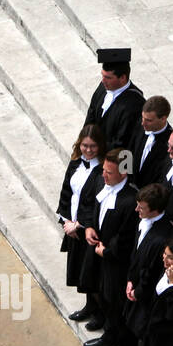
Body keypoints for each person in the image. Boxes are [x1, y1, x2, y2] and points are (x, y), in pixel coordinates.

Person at [121, 183, 173, 346]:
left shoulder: (162, 236)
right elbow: (136, 256)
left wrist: (138, 290)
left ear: (155, 210)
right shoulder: (146, 224)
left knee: (149, 335)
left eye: (141, 208)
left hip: (153, 296)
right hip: (138, 286)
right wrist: (130, 279)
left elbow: (152, 269)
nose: (137, 211)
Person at [81, 149, 139, 346]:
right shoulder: (100, 182)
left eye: (110, 172)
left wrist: (106, 252)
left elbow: (125, 238)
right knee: (103, 297)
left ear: (123, 174)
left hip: (116, 262)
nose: (104, 175)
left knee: (118, 306)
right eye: (104, 170)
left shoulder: (130, 201)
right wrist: (89, 228)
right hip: (98, 252)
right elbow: (91, 208)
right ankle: (109, 334)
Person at [59, 125, 105, 327]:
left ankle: (100, 313)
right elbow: (66, 192)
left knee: (91, 274)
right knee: (79, 270)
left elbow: (96, 203)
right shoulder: (75, 164)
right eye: (85, 145)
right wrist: (66, 220)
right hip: (73, 226)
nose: (88, 150)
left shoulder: (102, 170)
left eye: (93, 146)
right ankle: (89, 306)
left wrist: (80, 225)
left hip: (89, 230)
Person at [82, 48, 145, 153]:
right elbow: (91, 114)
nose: (103, 80)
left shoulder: (135, 104)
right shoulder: (102, 87)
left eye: (108, 77)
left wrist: (95, 149)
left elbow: (122, 141)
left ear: (123, 78)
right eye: (102, 75)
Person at [127, 96, 173, 189]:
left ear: (163, 118)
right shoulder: (140, 125)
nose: (143, 123)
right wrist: (123, 176)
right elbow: (128, 149)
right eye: (143, 118)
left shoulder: (171, 143)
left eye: (149, 120)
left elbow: (162, 176)